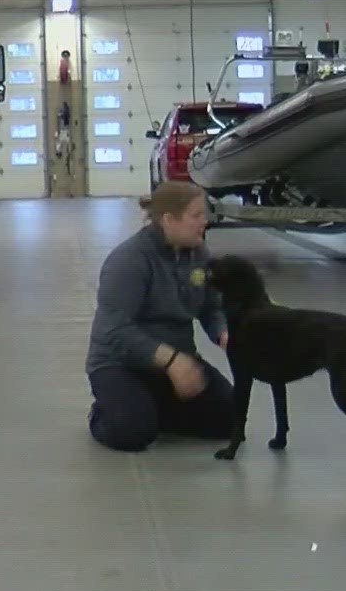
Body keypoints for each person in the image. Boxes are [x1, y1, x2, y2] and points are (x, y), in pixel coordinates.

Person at [84, 180, 236, 451]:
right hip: (120, 364)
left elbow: (211, 306)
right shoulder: (130, 260)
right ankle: (105, 412)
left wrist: (224, 334)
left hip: (179, 362)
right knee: (132, 433)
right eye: (196, 215)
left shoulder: (198, 253)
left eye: (205, 214)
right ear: (168, 219)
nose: (204, 222)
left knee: (231, 420)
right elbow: (115, 330)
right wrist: (172, 360)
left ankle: (155, 407)